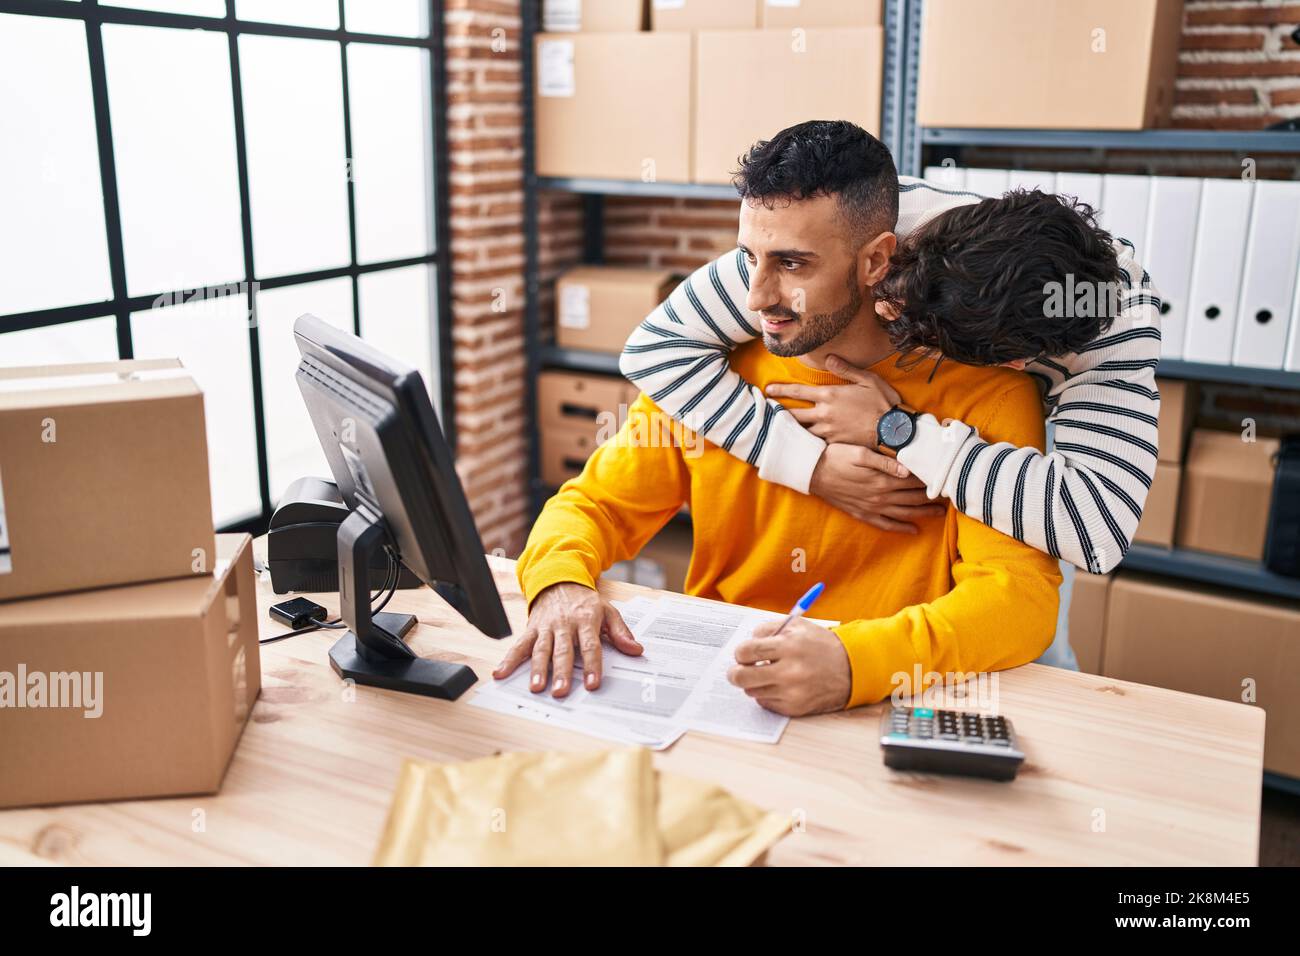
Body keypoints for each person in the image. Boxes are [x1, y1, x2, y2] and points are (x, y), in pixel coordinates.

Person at [493, 122, 1061, 716]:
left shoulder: (989, 394)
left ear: (875, 260)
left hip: (883, 701)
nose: (758, 295)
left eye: (791, 263)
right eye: (749, 258)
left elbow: (1017, 599)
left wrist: (852, 661)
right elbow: (594, 507)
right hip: (724, 692)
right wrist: (559, 585)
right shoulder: (703, 377)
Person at [620, 123, 1161, 579]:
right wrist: (809, 464)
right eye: (887, 290)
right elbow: (653, 350)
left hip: (1015, 477)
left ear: (1014, 363)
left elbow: (1096, 531)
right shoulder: (835, 233)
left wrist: (899, 431)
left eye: (908, 331)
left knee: (1033, 605)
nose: (880, 311)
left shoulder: (1114, 327)